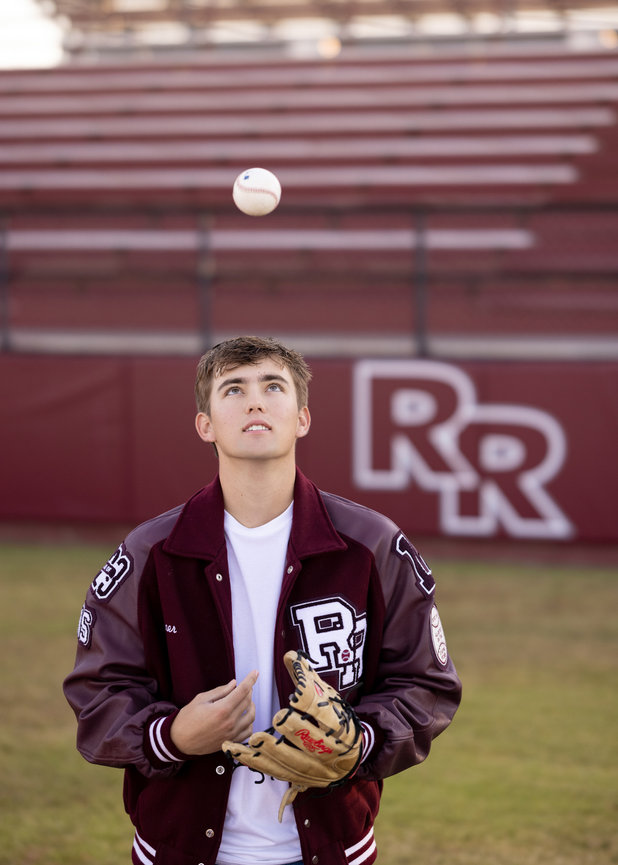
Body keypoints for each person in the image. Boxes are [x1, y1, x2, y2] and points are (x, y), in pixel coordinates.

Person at [63, 335, 461, 865]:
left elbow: (425, 684)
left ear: (302, 417)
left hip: (331, 846)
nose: (255, 401)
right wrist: (173, 734)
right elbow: (98, 691)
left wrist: (360, 742)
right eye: (233, 389)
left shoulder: (372, 546)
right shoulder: (150, 553)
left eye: (273, 386)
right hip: (179, 848)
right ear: (206, 425)